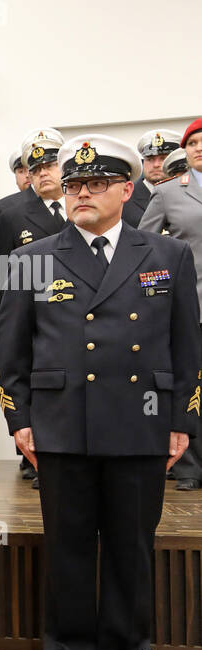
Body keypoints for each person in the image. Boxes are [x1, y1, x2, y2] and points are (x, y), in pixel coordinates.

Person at [0, 135, 200, 650]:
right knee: (68, 548)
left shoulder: (166, 255)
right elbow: (11, 352)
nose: (81, 193)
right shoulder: (28, 260)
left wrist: (182, 418)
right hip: (62, 424)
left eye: (97, 184)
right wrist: (19, 421)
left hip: (142, 422)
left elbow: (187, 346)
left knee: (133, 548)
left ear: (127, 190)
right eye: (75, 185)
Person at [0, 128, 68, 486]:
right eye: (35, 169)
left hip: (81, 317)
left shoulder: (84, 205)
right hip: (34, 317)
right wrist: (0, 316)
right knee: (32, 384)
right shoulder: (10, 211)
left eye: (50, 164)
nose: (43, 173)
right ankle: (34, 457)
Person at [140, 117, 202, 490]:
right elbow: (144, 251)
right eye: (192, 143)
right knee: (191, 385)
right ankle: (190, 467)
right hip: (190, 306)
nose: (198, 147)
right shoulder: (168, 193)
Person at [124, 129, 181, 227]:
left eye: (163, 158)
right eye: (150, 159)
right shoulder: (125, 199)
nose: (155, 165)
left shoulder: (190, 193)